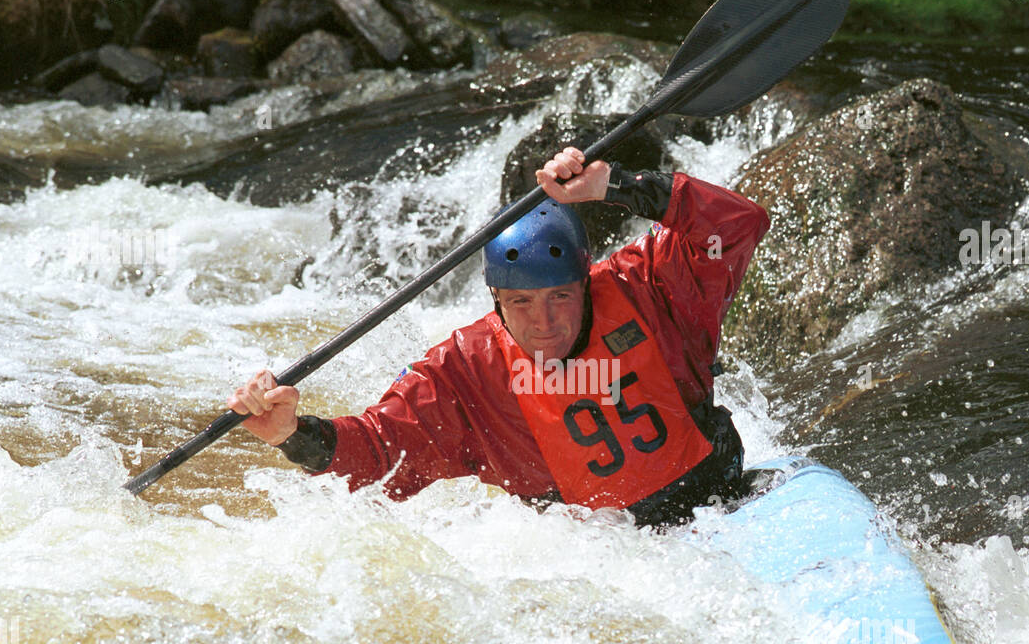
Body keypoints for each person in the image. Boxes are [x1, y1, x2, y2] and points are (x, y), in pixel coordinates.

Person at [228, 146, 770, 526]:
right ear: (495, 303)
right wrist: (291, 433)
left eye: (561, 296)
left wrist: (620, 186)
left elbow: (736, 226)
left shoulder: (648, 289)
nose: (544, 322)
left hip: (723, 502)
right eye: (521, 303)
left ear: (587, 283)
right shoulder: (467, 371)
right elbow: (378, 450)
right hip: (615, 556)